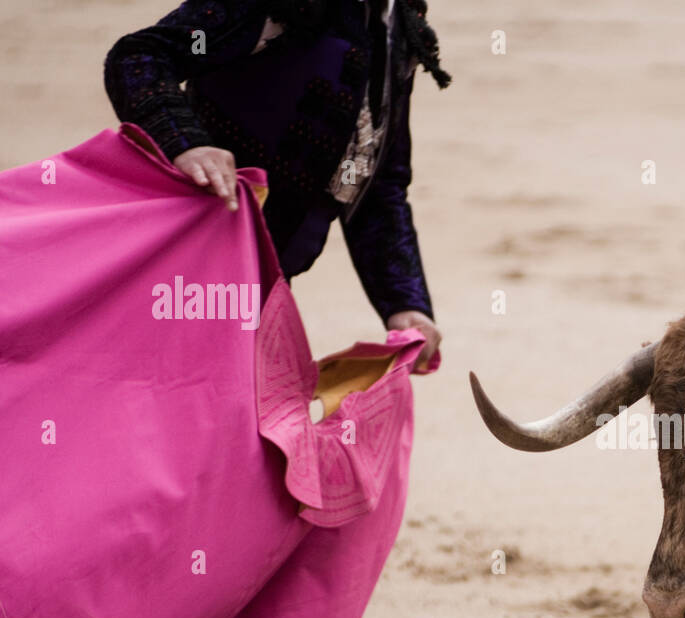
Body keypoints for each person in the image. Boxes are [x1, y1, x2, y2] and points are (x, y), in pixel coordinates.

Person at [105, 0, 449, 371]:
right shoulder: (268, 6)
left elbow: (374, 184)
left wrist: (404, 303)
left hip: (261, 296)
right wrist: (186, 144)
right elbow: (140, 58)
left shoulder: (396, 26)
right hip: (179, 277)